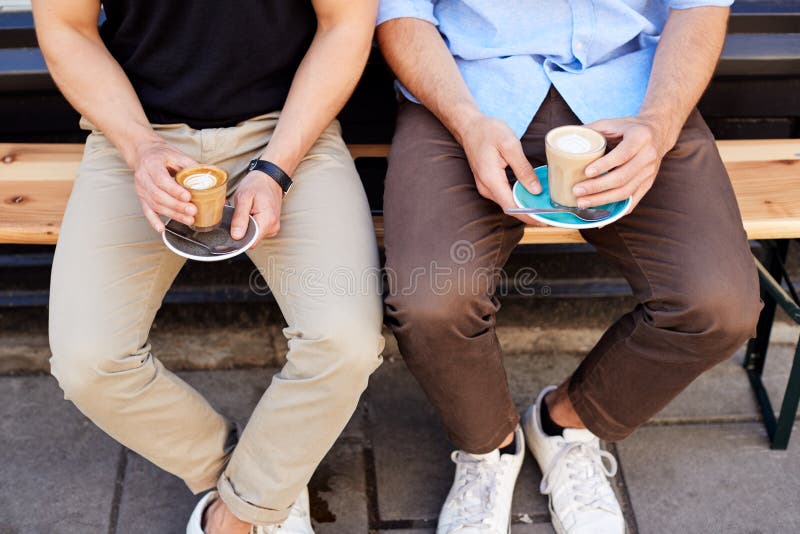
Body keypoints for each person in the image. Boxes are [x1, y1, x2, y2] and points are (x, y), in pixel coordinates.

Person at [376, 1, 761, 533]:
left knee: (719, 305)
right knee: (430, 303)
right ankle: (488, 447)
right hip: (466, 92)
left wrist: (659, 122)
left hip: (634, 95)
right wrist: (466, 122)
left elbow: (699, 6)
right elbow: (399, 12)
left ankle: (564, 426)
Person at [33, 0, 383, 532]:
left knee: (345, 343)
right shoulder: (138, 141)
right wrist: (140, 147)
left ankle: (237, 514)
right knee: (89, 361)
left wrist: (277, 167)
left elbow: (346, 24)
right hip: (139, 132)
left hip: (288, 131)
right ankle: (264, 481)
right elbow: (66, 28)